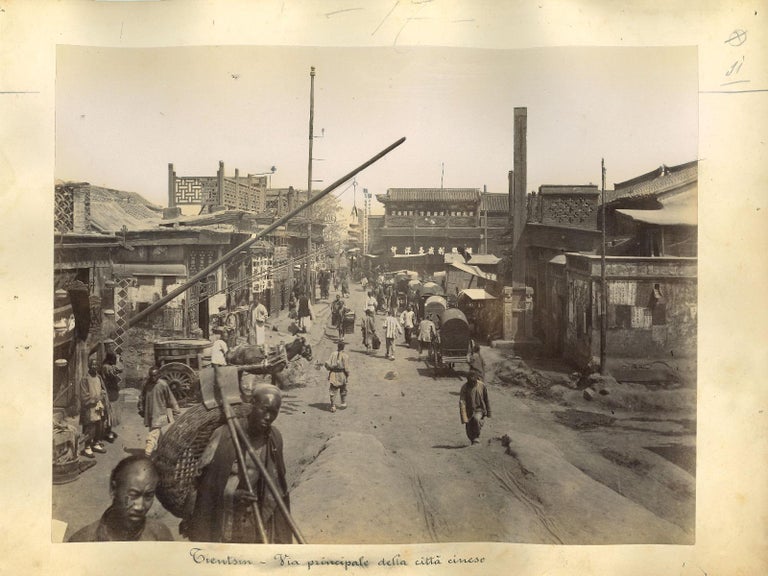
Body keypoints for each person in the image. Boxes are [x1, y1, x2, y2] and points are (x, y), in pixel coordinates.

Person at [186, 384, 293, 543]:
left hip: (256, 519)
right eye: (265, 409)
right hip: (225, 518)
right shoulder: (224, 435)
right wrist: (231, 495)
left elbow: (278, 483)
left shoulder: (274, 438)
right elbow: (203, 483)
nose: (269, 417)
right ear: (252, 403)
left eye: (274, 412)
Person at [68, 455, 173, 542]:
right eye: (133, 495)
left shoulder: (160, 536)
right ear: (114, 489)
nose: (140, 506)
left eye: (148, 496)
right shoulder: (82, 541)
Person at [137, 366, 180, 457]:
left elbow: (170, 398)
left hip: (160, 413)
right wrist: (141, 407)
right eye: (151, 376)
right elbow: (142, 397)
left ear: (159, 375)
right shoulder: (146, 385)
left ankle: (147, 453)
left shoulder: (163, 385)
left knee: (153, 434)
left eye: (155, 375)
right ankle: (162, 450)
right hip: (150, 412)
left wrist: (176, 410)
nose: (153, 378)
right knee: (157, 432)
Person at [79, 357, 108, 459]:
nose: (94, 367)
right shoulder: (85, 379)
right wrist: (96, 398)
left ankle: (96, 443)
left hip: (98, 406)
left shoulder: (98, 377)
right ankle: (87, 447)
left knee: (99, 425)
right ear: (89, 366)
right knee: (89, 427)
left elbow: (102, 389)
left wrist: (103, 395)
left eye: (96, 365)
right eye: (92, 365)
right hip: (89, 407)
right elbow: (84, 396)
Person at [459, 370, 491, 446]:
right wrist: (464, 417)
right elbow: (462, 402)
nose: (472, 383)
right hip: (469, 410)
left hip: (479, 409)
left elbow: (486, 399)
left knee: (476, 419)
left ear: (476, 379)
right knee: (469, 428)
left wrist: (489, 412)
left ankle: (477, 437)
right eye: (470, 381)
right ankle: (472, 439)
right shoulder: (464, 387)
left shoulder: (482, 386)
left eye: (474, 381)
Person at [325, 341, 350, 413]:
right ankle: (343, 403)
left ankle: (333, 406)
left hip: (333, 373)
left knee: (333, 390)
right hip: (342, 374)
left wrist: (330, 369)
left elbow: (327, 363)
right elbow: (346, 368)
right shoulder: (345, 356)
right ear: (344, 347)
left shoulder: (333, 354)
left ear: (337, 347)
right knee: (343, 388)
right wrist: (347, 375)